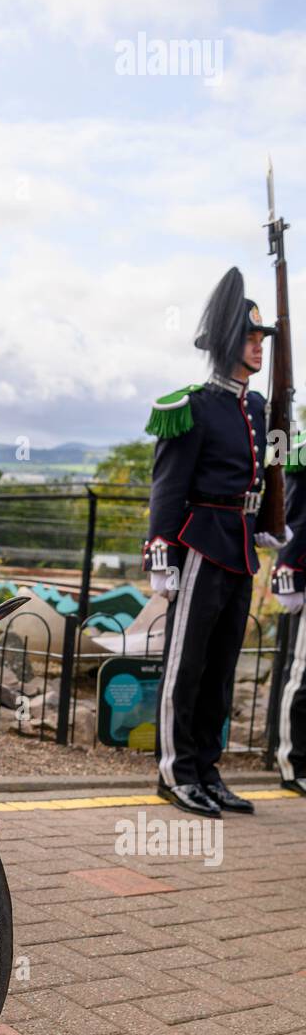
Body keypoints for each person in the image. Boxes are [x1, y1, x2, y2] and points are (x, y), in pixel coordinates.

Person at [143, 267, 282, 816]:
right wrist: (162, 556)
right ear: (228, 343)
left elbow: (266, 464)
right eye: (251, 339)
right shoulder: (192, 406)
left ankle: (207, 768)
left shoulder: (257, 407)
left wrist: (271, 520)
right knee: (188, 663)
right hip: (201, 542)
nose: (259, 347)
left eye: (263, 339)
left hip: (242, 543)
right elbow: (167, 486)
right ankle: (175, 773)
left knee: (222, 665)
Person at [272, 431, 306, 793]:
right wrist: (289, 574)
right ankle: (293, 763)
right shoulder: (302, 450)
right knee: (303, 674)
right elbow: (294, 519)